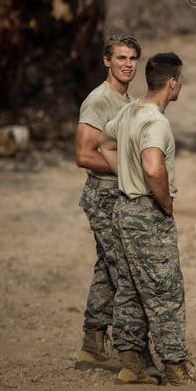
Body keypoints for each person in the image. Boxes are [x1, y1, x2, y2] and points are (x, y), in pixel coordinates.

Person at [99, 51, 196, 386]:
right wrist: (165, 202)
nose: (180, 85)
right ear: (172, 83)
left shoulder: (129, 111)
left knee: (128, 287)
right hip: (146, 214)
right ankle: (176, 367)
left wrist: (126, 175)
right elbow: (154, 167)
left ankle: (131, 364)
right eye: (180, 80)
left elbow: (104, 143)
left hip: (123, 210)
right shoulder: (156, 121)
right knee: (165, 289)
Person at [74, 34, 141, 372]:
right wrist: (128, 167)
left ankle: (92, 344)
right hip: (103, 196)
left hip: (120, 195)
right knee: (123, 269)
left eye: (132, 59)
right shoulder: (99, 100)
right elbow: (83, 155)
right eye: (121, 58)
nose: (127, 64)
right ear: (107, 61)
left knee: (107, 267)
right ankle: (133, 355)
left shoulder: (128, 100)